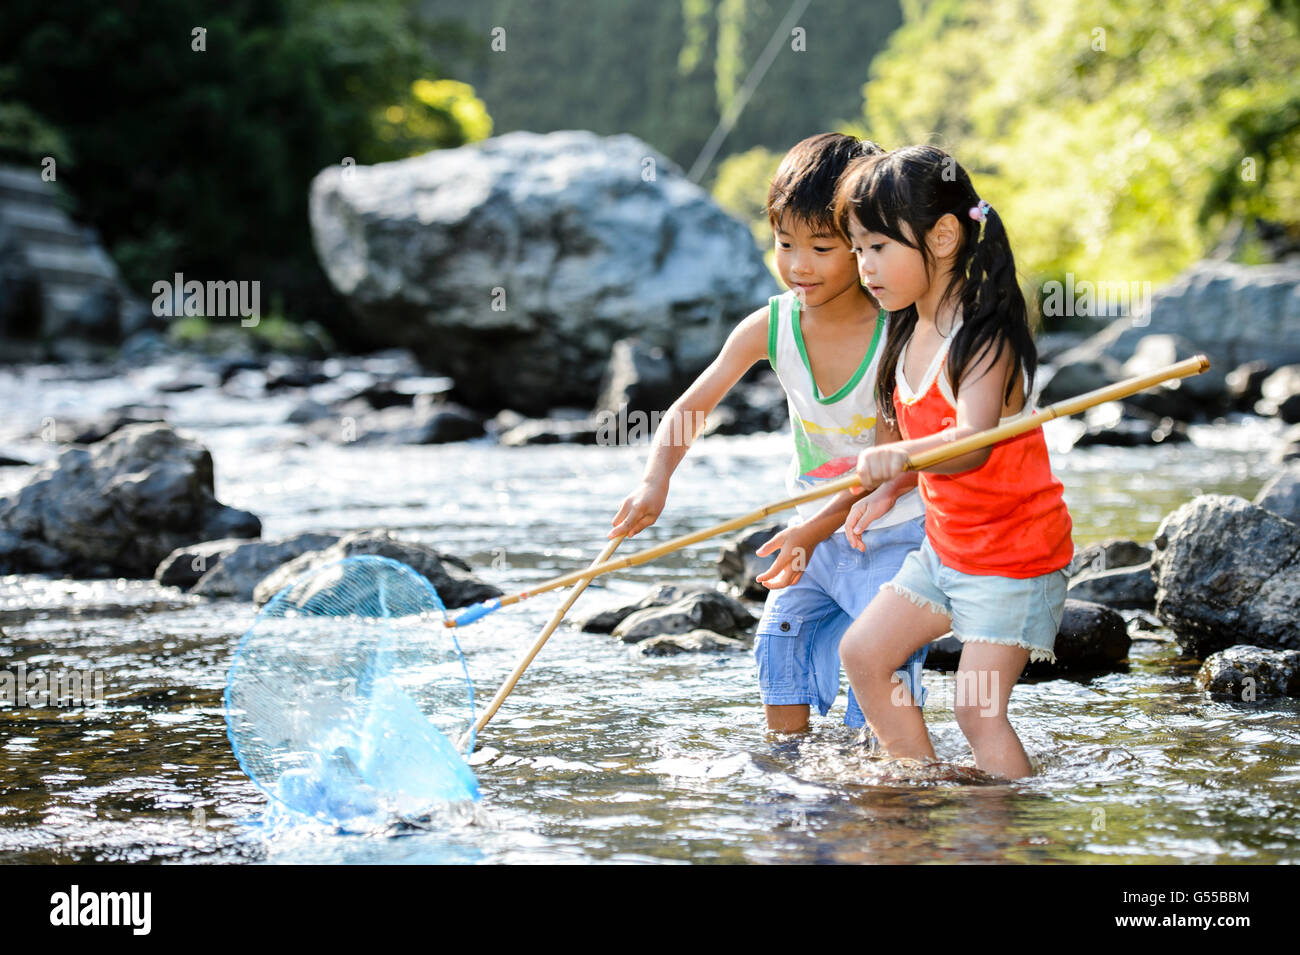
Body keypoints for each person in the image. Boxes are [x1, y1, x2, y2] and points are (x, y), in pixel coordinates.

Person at [608, 132, 929, 734]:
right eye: (785, 244)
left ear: (866, 244)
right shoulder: (772, 325)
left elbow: (887, 459)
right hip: (812, 533)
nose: (798, 265)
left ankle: (888, 790)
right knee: (779, 642)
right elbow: (690, 407)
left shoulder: (900, 329)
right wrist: (655, 481)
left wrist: (807, 529)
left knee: (879, 675)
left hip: (892, 534)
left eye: (822, 247)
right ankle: (787, 780)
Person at [832, 144, 1074, 779]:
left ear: (942, 237)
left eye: (877, 247)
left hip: (1014, 557)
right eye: (857, 250)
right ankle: (921, 784)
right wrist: (890, 486)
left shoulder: (983, 334)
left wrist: (901, 456)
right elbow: (917, 441)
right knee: (863, 652)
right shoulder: (908, 330)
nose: (864, 267)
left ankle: (1000, 833)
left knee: (977, 710)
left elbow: (971, 445)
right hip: (950, 550)